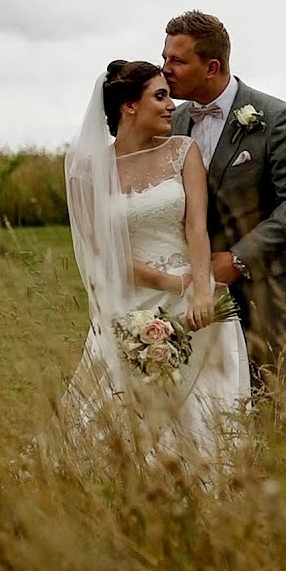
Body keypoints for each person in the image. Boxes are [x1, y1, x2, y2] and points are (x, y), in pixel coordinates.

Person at [61, 59, 249, 461]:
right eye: (160, 97)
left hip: (193, 299)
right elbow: (103, 252)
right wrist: (167, 282)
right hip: (129, 303)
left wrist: (200, 291)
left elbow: (196, 229)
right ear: (129, 105)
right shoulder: (85, 172)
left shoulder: (184, 151)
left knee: (207, 408)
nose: (171, 106)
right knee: (121, 409)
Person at [163, 11, 286, 400]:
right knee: (208, 411)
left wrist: (236, 260)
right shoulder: (171, 121)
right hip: (195, 298)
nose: (164, 69)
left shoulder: (277, 119)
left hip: (267, 293)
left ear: (211, 66)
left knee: (275, 412)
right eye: (165, 57)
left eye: (177, 61)